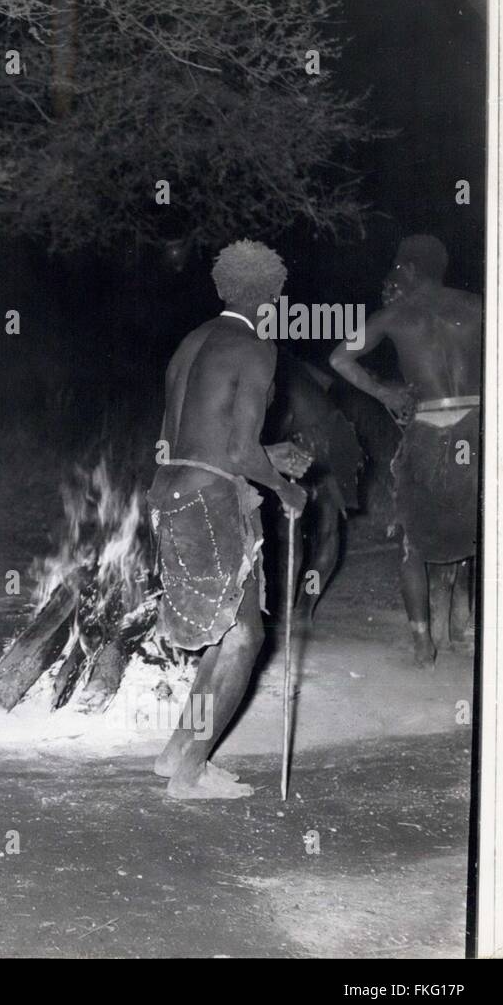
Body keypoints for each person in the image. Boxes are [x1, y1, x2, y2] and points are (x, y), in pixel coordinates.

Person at [147, 240, 311, 800]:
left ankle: (177, 754)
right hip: (210, 496)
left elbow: (198, 434)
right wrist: (285, 488)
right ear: (272, 295)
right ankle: (191, 773)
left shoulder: (190, 343)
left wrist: (273, 454)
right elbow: (239, 454)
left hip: (168, 491)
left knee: (224, 630)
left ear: (223, 289)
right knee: (246, 636)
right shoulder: (256, 347)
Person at [330, 235, 481, 665]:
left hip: (429, 431)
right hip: (477, 428)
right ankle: (462, 623)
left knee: (414, 541)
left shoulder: (394, 315)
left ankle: (422, 643)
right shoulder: (478, 306)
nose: (393, 275)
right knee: (479, 527)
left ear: (411, 270)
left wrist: (385, 393)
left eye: (397, 267)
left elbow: (340, 359)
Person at [271, 356, 364, 622]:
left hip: (307, 441)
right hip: (339, 436)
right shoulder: (297, 362)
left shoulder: (267, 360)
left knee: (291, 528)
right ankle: (303, 608)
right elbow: (327, 383)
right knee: (327, 529)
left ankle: (289, 606)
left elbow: (283, 415)